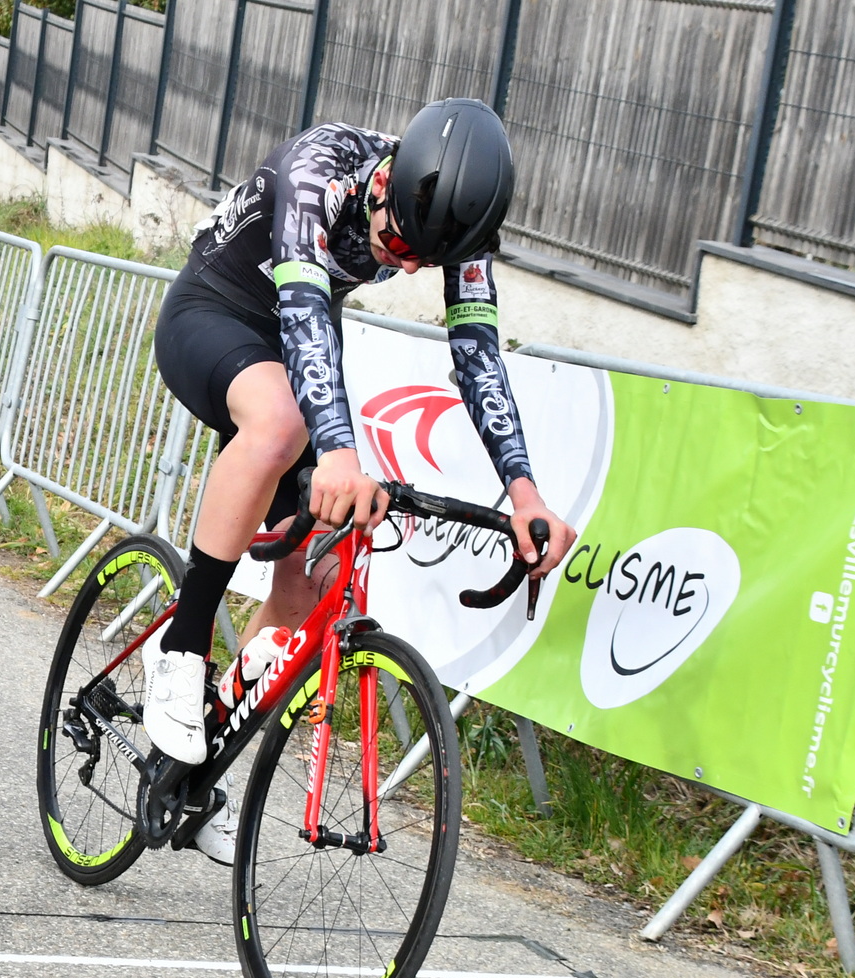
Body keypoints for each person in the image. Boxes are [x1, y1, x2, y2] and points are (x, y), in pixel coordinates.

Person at [140, 102, 576, 864]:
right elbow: (304, 311)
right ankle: (180, 652)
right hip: (216, 310)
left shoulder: (458, 233)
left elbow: (476, 355)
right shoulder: (322, 167)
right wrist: (337, 449)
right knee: (280, 426)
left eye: (426, 259)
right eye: (402, 242)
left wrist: (526, 492)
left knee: (318, 573)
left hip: (293, 343)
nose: (406, 266)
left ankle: (190, 763)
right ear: (386, 183)